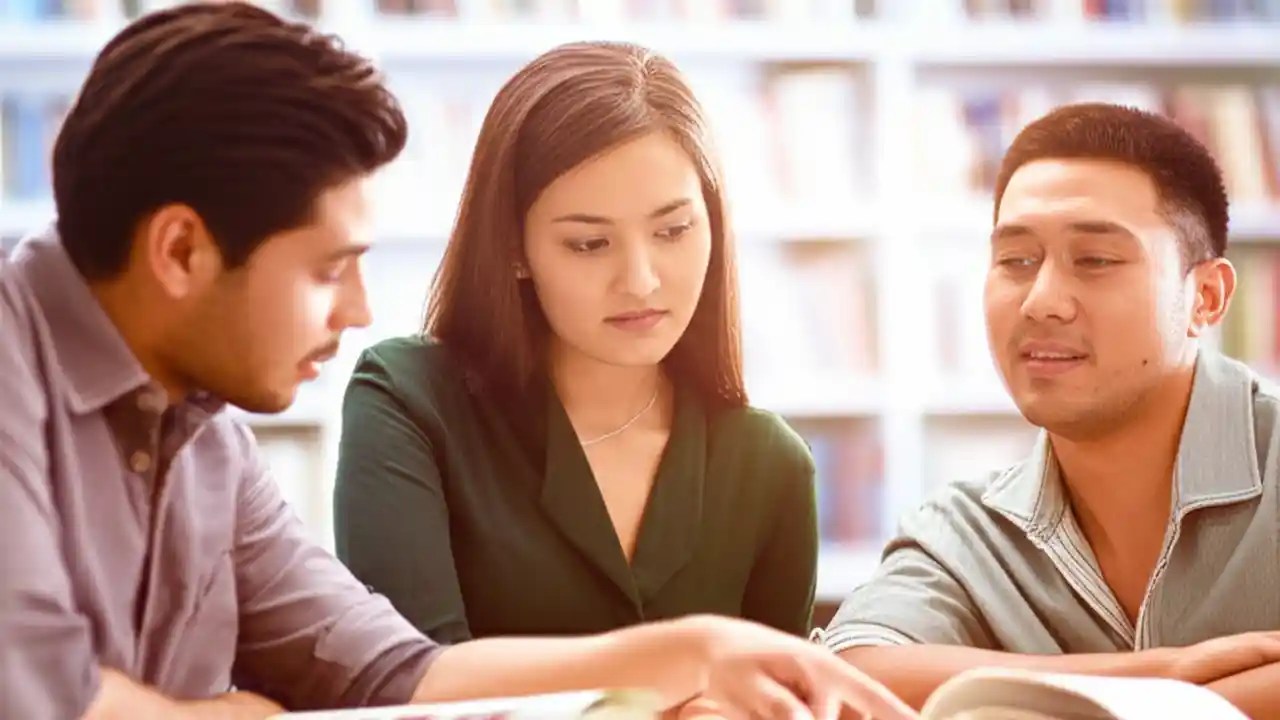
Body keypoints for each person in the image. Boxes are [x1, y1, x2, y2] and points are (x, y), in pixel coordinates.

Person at [0, 4, 917, 720]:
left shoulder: (209, 439)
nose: (356, 311)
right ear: (181, 252)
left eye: (674, 229)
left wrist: (697, 649)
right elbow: (37, 694)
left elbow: (390, 673)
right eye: (328, 270)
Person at [333, 40, 818, 648]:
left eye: (674, 230)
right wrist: (683, 663)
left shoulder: (769, 464)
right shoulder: (410, 400)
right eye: (589, 244)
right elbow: (407, 684)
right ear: (514, 247)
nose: (641, 280)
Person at [817, 101, 1280, 718]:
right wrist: (1160, 673)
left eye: (1094, 260)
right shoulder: (967, 532)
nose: (1042, 301)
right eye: (1016, 260)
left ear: (1206, 296)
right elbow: (854, 672)